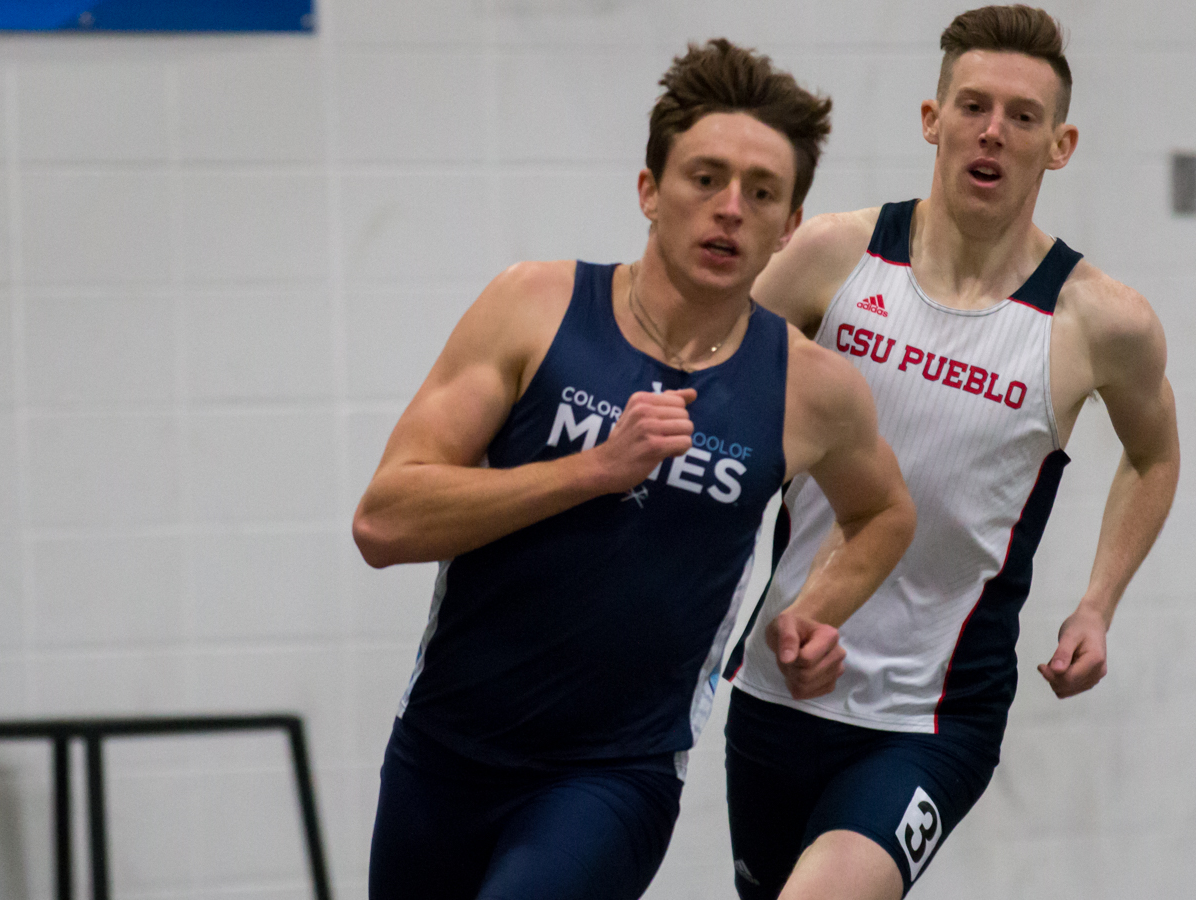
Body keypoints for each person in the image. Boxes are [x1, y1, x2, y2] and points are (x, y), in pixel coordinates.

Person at [351, 39, 915, 900]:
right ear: (650, 191)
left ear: (789, 224)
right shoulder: (533, 308)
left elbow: (885, 514)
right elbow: (384, 522)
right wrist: (592, 470)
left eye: (761, 192)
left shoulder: (811, 389)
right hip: (443, 751)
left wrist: (813, 614)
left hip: (616, 775)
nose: (730, 209)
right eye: (704, 178)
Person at [721, 6, 1181, 899]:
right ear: (931, 120)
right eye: (972, 106)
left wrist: (1098, 604)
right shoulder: (832, 259)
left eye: (1021, 116)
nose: (992, 133)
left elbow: (1153, 455)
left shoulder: (1100, 322)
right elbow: (716, 394)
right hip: (780, 687)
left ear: (1061, 144)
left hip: (935, 717)